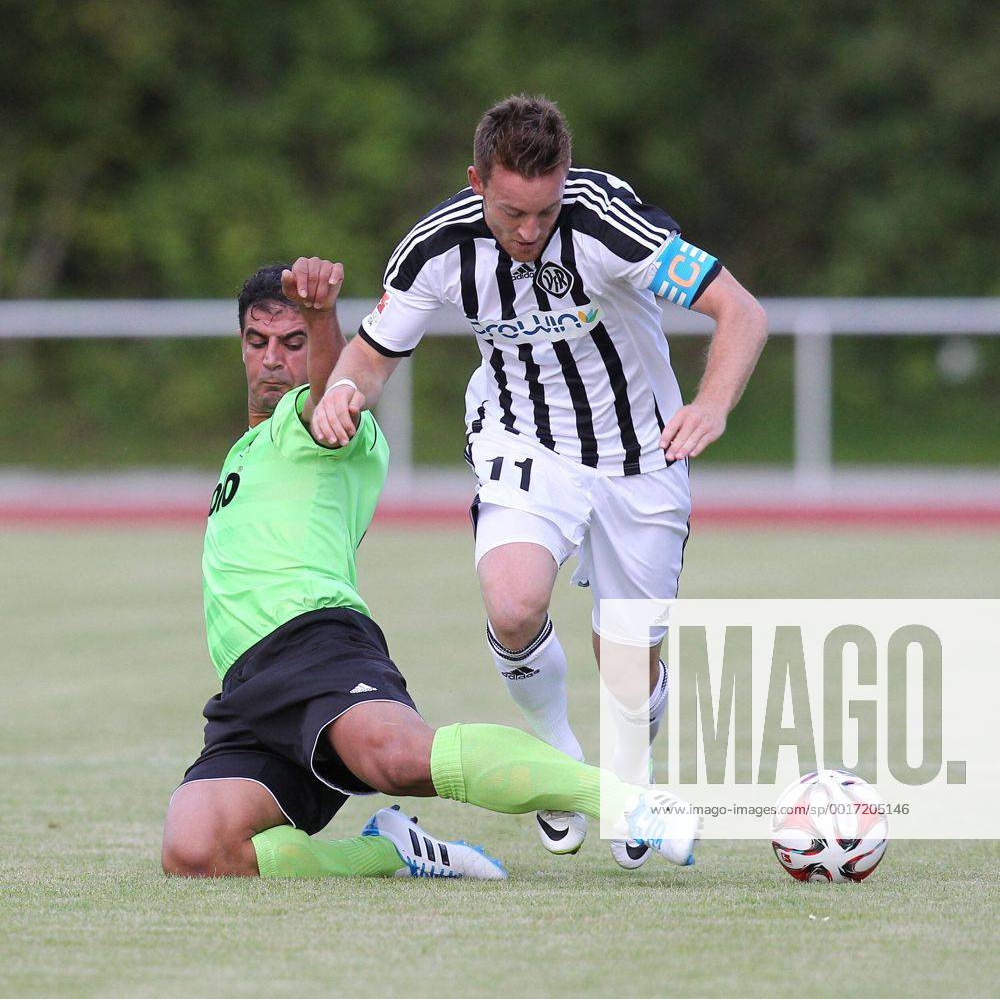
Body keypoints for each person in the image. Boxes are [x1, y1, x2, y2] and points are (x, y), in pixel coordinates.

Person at [310, 94, 767, 869]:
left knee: (627, 659)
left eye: (545, 211)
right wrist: (343, 393)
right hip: (525, 441)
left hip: (642, 454)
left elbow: (742, 312)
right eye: (512, 212)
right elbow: (371, 353)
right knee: (514, 605)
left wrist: (712, 403)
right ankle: (559, 763)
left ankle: (631, 781)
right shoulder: (435, 248)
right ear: (476, 180)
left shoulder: (606, 221)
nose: (529, 231)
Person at [161, 257, 701, 881]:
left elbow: (329, 405)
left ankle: (628, 802)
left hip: (313, 642)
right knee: (196, 850)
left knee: (397, 758)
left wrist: (322, 319)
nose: (274, 359)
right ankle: (393, 851)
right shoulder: (247, 448)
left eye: (294, 343)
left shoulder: (320, 424)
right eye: (259, 343)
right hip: (247, 685)